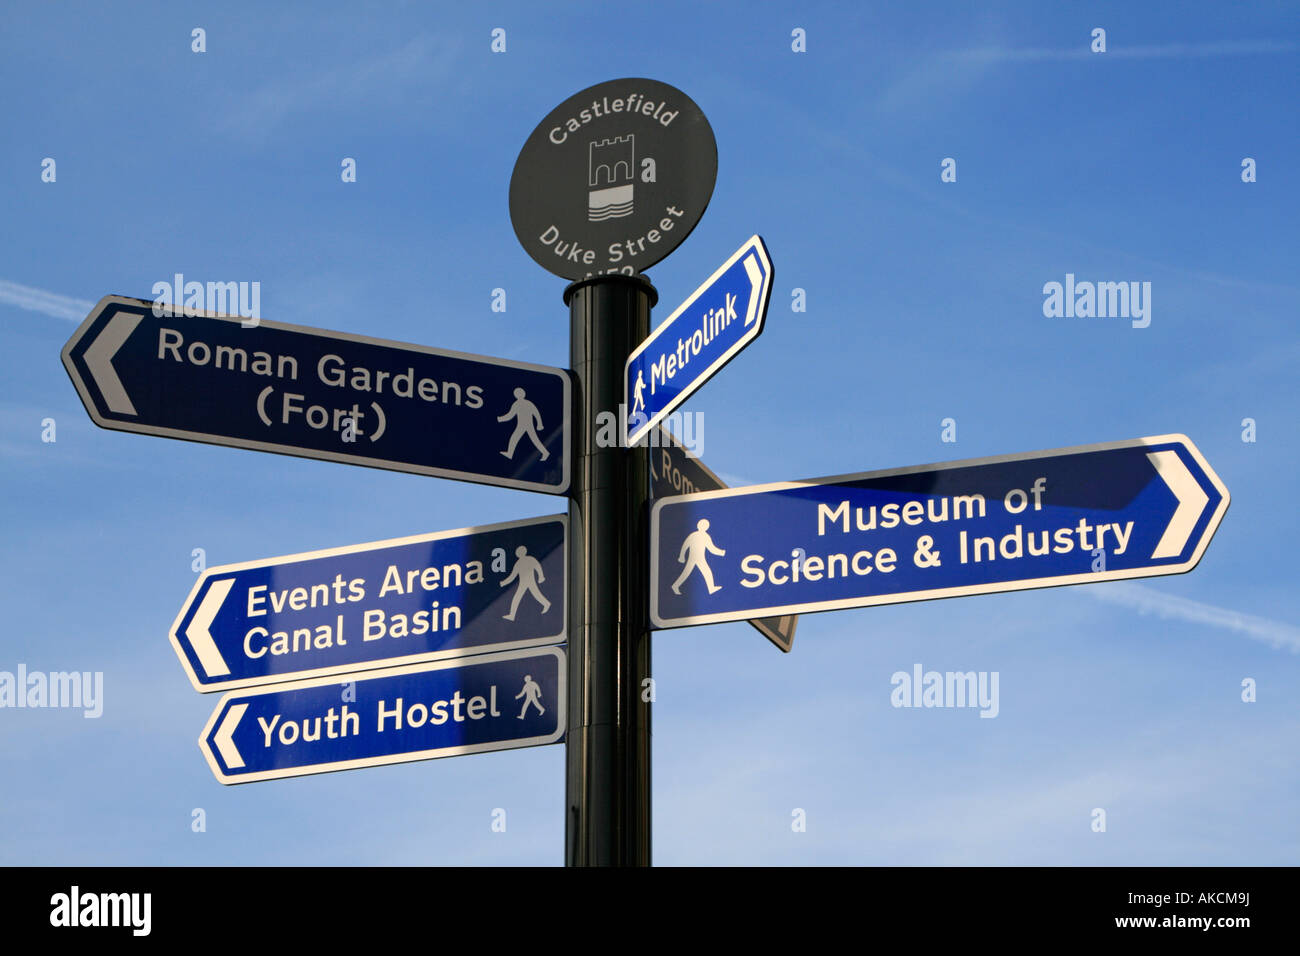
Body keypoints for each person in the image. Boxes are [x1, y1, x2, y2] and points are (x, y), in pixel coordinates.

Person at [671, 518, 725, 595]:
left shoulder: (697, 535)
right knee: (699, 572)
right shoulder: (701, 535)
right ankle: (675, 585)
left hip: (698, 558)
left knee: (702, 572)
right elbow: (686, 545)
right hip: (696, 558)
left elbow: (710, 548)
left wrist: (682, 556)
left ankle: (711, 588)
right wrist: (721, 552)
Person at [500, 545, 551, 620]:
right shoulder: (518, 563)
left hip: (529, 581)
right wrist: (503, 582)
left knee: (527, 595)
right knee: (525, 595)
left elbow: (537, 567)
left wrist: (541, 576)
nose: (518, 554)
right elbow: (513, 576)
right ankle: (512, 615)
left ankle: (512, 615)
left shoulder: (530, 559)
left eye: (519, 552)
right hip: (523, 583)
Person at [498, 387, 549, 460]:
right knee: (515, 438)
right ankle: (510, 453)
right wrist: (539, 423)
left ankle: (545, 453)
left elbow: (536, 413)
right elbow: (510, 415)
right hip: (522, 425)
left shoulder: (520, 403)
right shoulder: (522, 403)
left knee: (534, 439)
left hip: (526, 425)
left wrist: (500, 419)